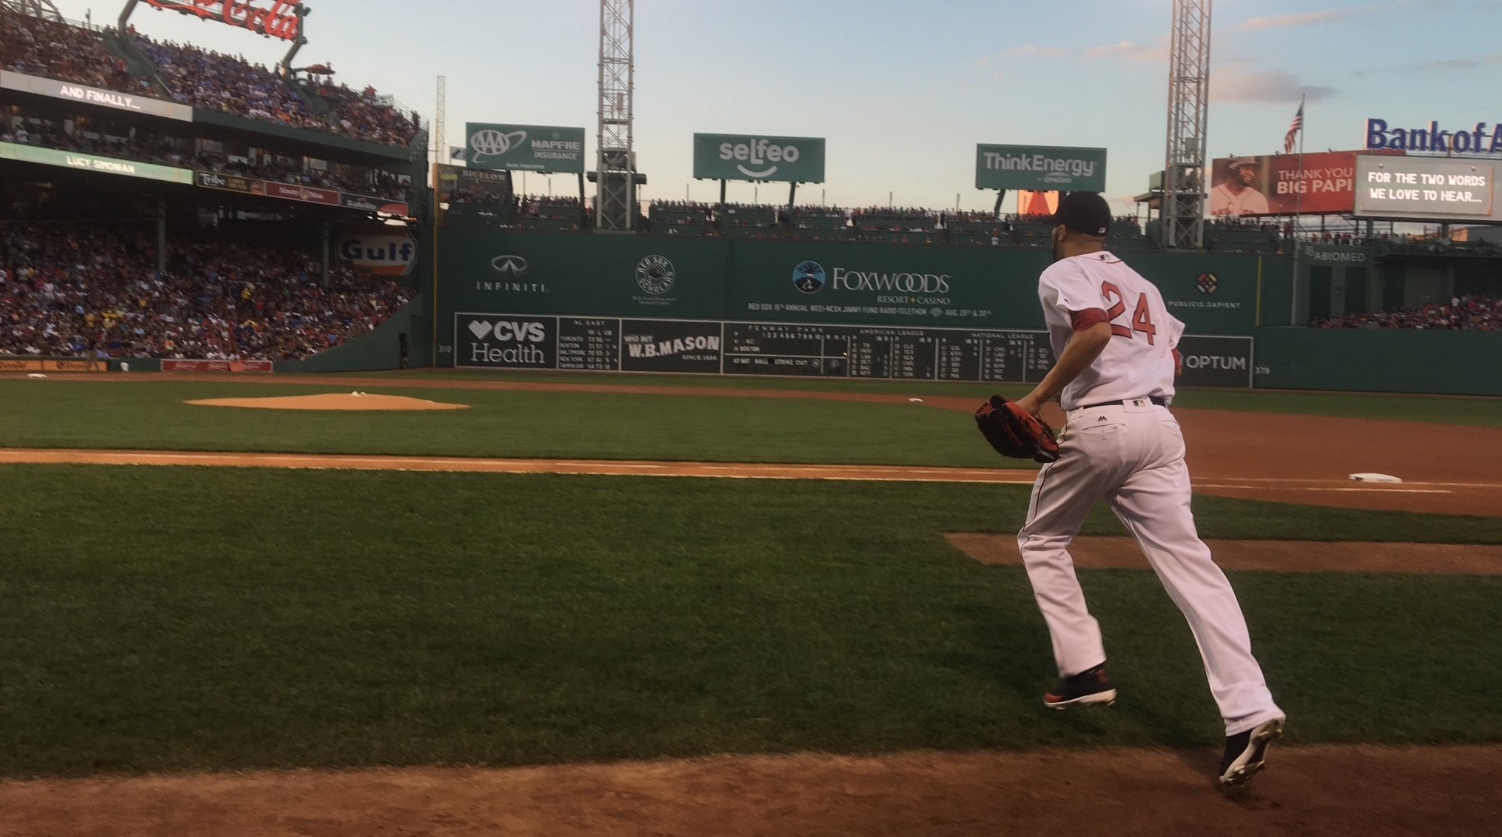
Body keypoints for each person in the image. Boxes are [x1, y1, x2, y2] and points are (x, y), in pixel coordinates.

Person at [1009, 191, 1286, 789]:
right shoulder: (1146, 285)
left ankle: (1084, 671)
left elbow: (1094, 332)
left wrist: (1036, 399)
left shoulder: (1062, 269)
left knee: (1042, 540)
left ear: (1060, 230)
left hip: (1103, 422)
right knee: (1195, 570)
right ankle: (1250, 708)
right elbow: (1172, 359)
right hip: (1161, 427)